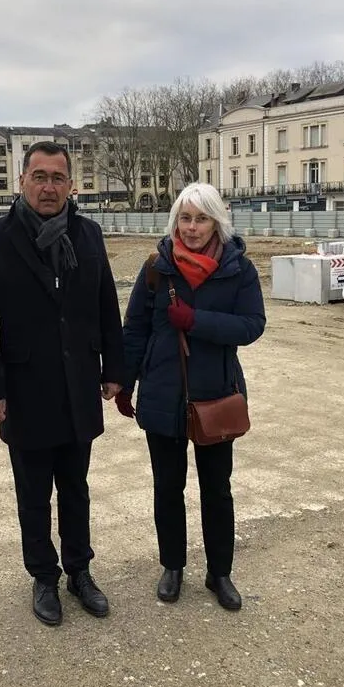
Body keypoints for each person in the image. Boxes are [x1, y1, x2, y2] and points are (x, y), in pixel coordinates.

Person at [0, 141, 125, 627]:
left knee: (76, 488)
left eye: (58, 177)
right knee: (33, 493)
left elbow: (105, 305)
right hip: (24, 388)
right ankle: (43, 576)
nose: (49, 187)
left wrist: (115, 369)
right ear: (22, 181)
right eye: (39, 176)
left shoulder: (89, 234)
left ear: (71, 184)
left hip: (78, 384)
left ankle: (80, 571)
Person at [115, 182, 265, 611]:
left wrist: (197, 320)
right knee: (168, 486)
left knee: (217, 489)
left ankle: (220, 573)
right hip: (163, 394)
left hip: (216, 396)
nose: (193, 227)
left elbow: (252, 326)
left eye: (201, 218)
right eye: (185, 218)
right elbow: (136, 330)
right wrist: (126, 382)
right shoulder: (156, 269)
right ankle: (172, 566)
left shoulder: (239, 269)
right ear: (174, 221)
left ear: (216, 221)